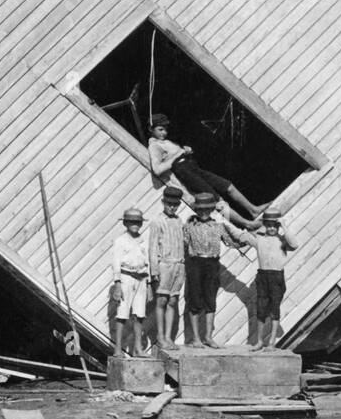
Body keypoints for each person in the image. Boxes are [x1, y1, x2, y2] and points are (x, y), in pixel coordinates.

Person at [146, 113, 264, 220]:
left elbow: (177, 154)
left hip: (193, 168)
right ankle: (247, 224)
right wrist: (177, 154)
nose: (164, 133)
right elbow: (157, 170)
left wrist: (186, 151)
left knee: (228, 186)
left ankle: (253, 210)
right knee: (217, 200)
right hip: (186, 173)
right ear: (151, 129)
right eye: (160, 129)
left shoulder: (165, 142)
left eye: (165, 129)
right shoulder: (154, 146)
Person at [182, 190, 250, 348]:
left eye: (207, 209)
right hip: (195, 263)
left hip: (212, 264)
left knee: (210, 300)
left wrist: (247, 240)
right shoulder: (189, 226)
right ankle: (196, 338)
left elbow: (231, 242)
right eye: (200, 209)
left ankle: (208, 337)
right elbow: (182, 245)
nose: (203, 212)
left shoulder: (218, 226)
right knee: (194, 299)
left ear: (211, 209)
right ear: (196, 209)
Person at [232, 210, 299, 349]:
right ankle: (260, 341)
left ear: (278, 226)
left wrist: (284, 226)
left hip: (277, 278)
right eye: (268, 225)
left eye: (275, 225)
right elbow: (242, 236)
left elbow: (294, 244)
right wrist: (224, 223)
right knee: (261, 309)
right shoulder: (260, 240)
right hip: (263, 276)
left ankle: (272, 342)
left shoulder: (282, 241)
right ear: (264, 226)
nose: (272, 228)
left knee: (275, 309)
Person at [145, 185, 187, 348]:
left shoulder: (179, 221)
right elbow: (153, 247)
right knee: (161, 301)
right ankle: (160, 337)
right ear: (163, 202)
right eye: (169, 203)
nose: (172, 207)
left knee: (173, 301)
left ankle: (169, 337)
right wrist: (154, 271)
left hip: (178, 265)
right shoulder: (157, 221)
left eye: (175, 204)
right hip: (164, 266)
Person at [111, 208, 151, 357]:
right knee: (122, 313)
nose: (135, 225)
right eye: (131, 222)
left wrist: (149, 284)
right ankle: (117, 349)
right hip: (126, 277)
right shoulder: (120, 241)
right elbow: (116, 263)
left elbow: (148, 263)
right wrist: (117, 284)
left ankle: (138, 349)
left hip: (141, 278)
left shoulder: (144, 240)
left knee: (139, 314)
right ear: (126, 223)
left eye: (138, 222)